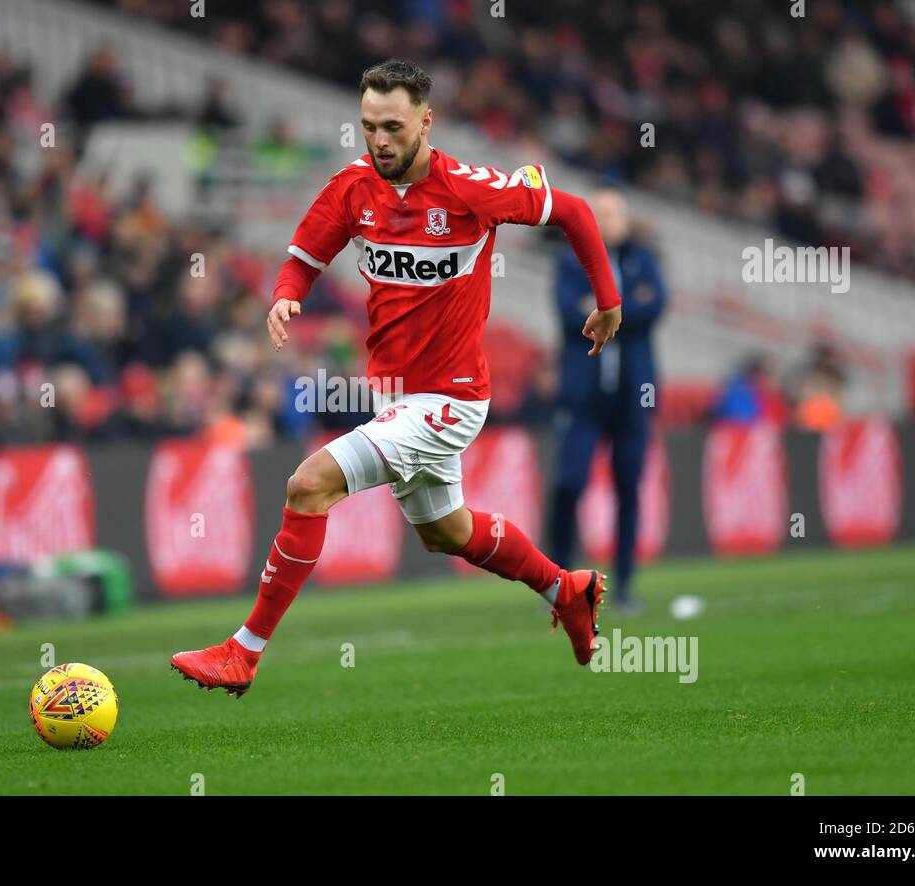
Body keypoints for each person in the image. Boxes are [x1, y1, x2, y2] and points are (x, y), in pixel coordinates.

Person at [169, 59, 622, 697]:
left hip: (452, 398)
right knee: (447, 531)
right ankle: (565, 589)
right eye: (368, 126)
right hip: (396, 397)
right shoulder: (353, 187)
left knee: (308, 486)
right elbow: (305, 254)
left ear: (425, 122)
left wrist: (608, 301)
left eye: (392, 127)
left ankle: (243, 651)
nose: (379, 140)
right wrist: (284, 296)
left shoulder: (470, 189)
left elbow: (572, 211)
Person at [547, 190, 664, 613]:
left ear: (626, 219)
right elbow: (567, 314)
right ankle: (557, 581)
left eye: (613, 213)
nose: (607, 221)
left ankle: (626, 583)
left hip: (632, 396)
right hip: (583, 396)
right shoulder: (568, 261)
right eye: (599, 214)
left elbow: (657, 307)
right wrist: (625, 308)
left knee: (628, 487)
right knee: (568, 483)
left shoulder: (643, 259)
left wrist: (604, 309)